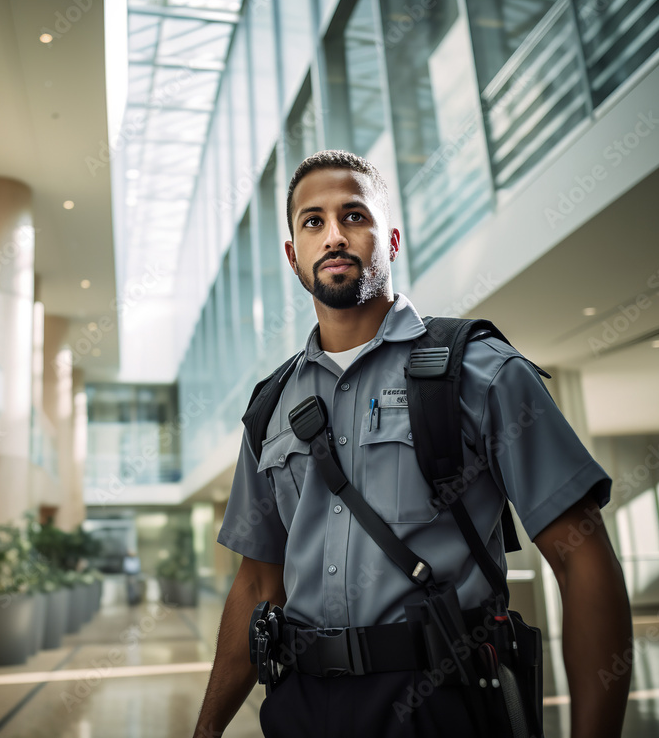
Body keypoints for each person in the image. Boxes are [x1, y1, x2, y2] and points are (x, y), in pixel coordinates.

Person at [192, 150, 632, 737]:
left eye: (354, 216)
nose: (334, 236)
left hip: (441, 705)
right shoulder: (270, 407)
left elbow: (582, 556)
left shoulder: (479, 372)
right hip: (299, 708)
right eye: (313, 221)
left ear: (391, 239)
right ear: (294, 253)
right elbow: (255, 584)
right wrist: (204, 731)